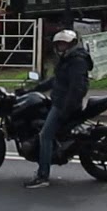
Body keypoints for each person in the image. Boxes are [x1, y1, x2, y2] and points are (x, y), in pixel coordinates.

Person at [25, 29, 93, 189]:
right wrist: (34, 89)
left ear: (72, 44)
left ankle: (42, 176)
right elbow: (57, 80)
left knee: (45, 135)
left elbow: (77, 88)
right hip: (60, 101)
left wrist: (65, 109)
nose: (60, 47)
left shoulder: (76, 61)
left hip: (64, 104)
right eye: (59, 44)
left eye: (64, 44)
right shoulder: (69, 59)